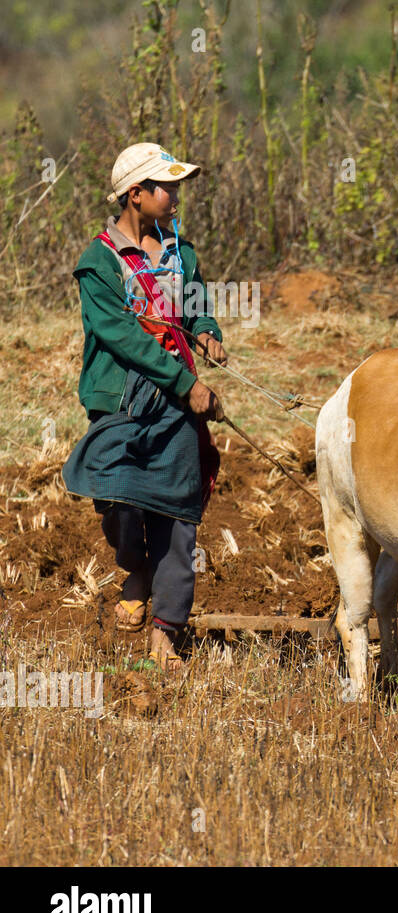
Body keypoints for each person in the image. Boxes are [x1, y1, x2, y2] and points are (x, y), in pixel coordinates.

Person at [63, 142, 226, 672]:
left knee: (179, 515)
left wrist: (206, 331)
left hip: (178, 404)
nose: (174, 196)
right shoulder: (99, 263)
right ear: (136, 195)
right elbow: (121, 339)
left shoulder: (184, 253)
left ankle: (166, 633)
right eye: (165, 187)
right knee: (119, 503)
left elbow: (197, 307)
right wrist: (186, 383)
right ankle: (135, 567)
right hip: (122, 402)